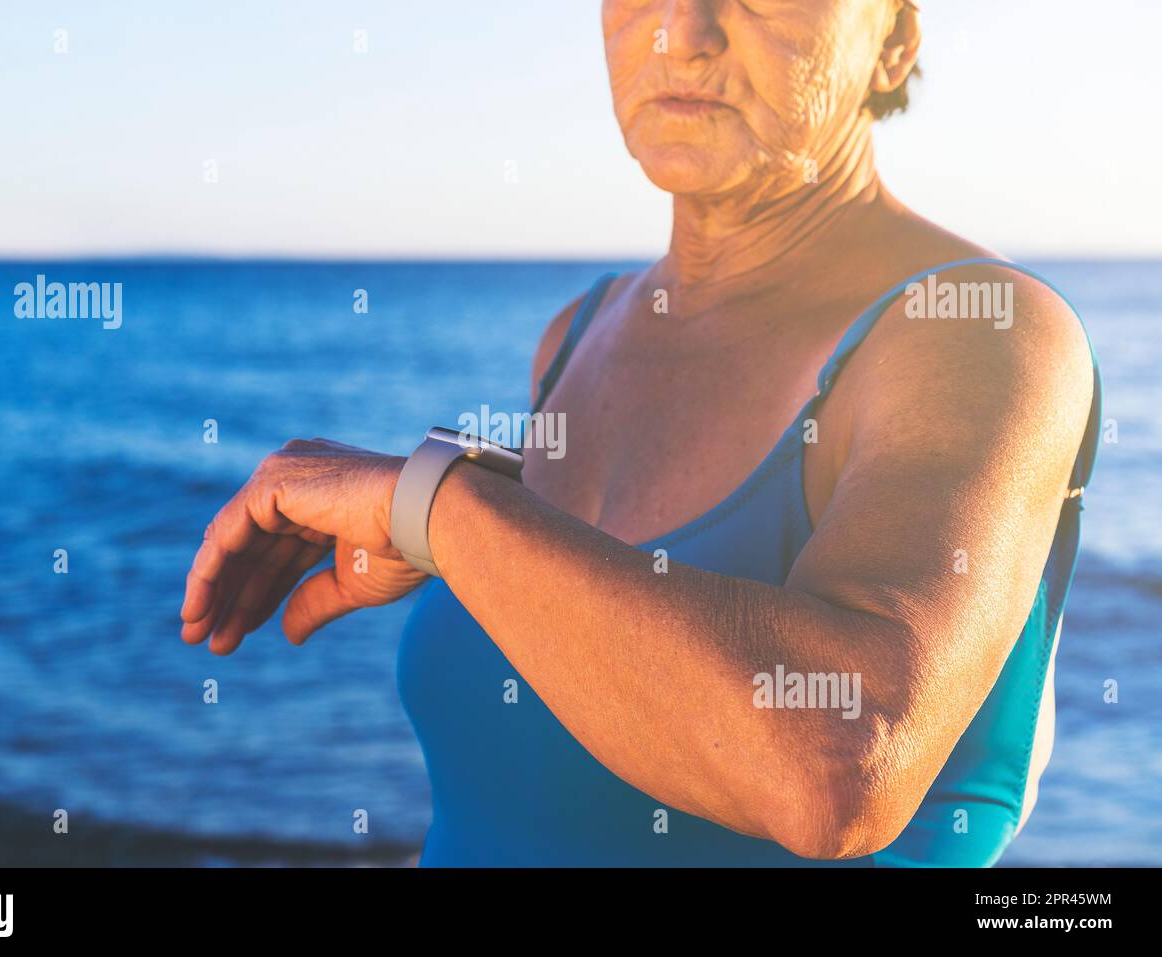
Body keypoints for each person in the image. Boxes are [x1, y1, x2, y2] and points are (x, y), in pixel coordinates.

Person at [179, 0, 1101, 866]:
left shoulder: (975, 327)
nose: (681, 32)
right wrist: (458, 526)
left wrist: (432, 506)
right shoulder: (583, 330)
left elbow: (835, 765)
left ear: (894, 41)